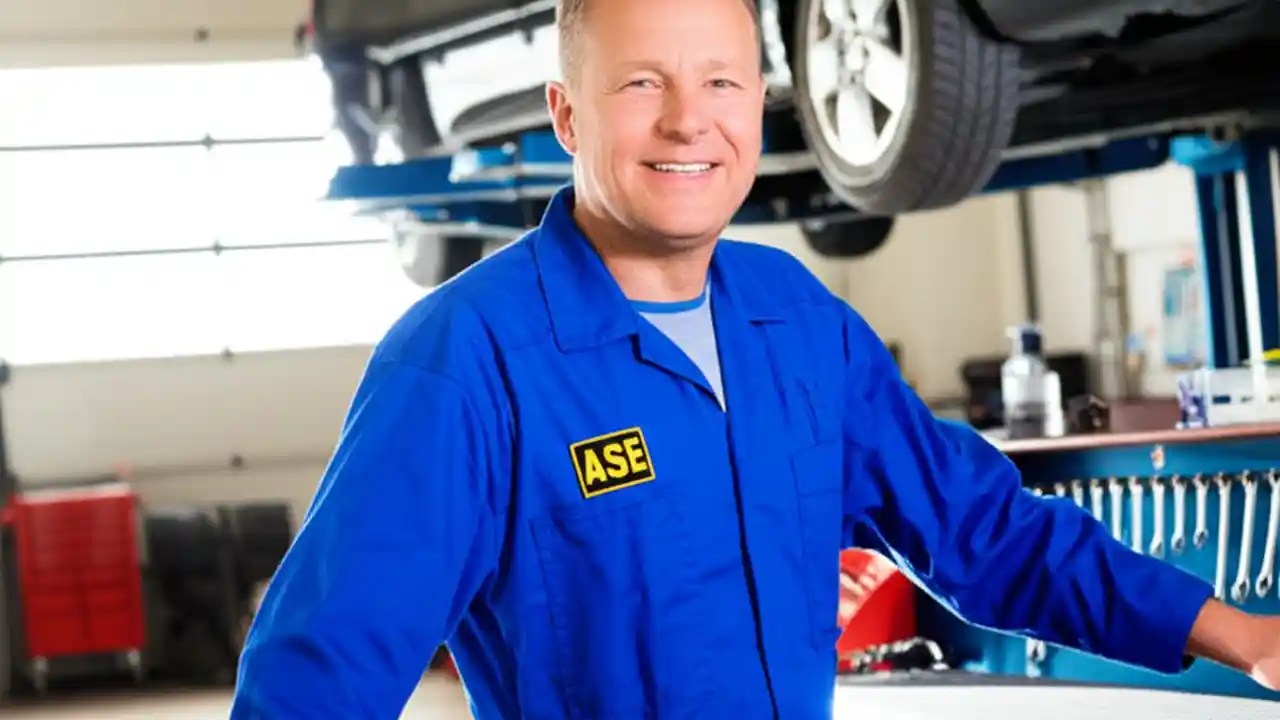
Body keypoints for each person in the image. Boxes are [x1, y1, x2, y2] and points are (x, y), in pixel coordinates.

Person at [231, 0, 1280, 716]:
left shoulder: (797, 324)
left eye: (722, 82)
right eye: (641, 83)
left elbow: (982, 530)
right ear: (563, 114)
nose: (690, 119)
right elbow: (323, 666)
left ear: (758, 104)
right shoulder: (468, 360)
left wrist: (1237, 631)